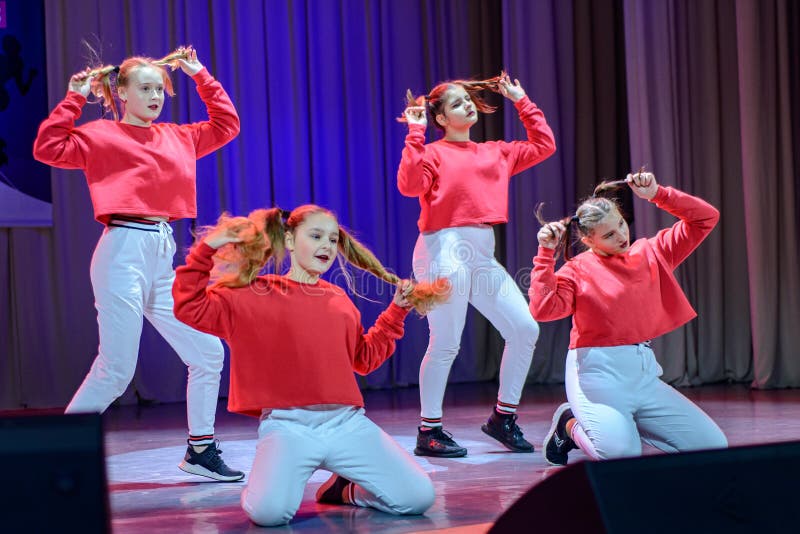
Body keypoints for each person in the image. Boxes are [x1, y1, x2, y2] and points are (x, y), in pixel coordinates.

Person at [32, 46, 243, 481]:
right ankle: (54, 450)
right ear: (121, 93)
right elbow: (48, 147)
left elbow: (227, 125)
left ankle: (200, 451)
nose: (154, 96)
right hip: (122, 250)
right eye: (144, 88)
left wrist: (199, 72)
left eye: (160, 88)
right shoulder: (101, 135)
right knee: (116, 369)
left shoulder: (177, 136)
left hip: (161, 254)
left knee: (207, 352)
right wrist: (73, 97)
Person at [173, 205, 446, 526]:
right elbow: (189, 305)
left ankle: (346, 491)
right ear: (289, 239)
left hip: (346, 424)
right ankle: (277, 481)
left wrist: (396, 311)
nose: (326, 246)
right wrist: (207, 248)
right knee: (269, 514)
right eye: (316, 236)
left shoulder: (338, 300)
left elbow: (365, 359)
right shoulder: (253, 293)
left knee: (419, 498)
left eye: (332, 239)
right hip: (289, 428)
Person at [397, 72, 556, 457]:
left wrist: (522, 101)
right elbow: (408, 184)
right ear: (440, 119)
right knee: (446, 342)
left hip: (481, 251)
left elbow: (544, 145)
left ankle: (503, 418)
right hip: (441, 246)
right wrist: (415, 134)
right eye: (457, 103)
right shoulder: (433, 152)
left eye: (468, 100)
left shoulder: (496, 152)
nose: (467, 105)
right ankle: (429, 431)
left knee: (523, 327)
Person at [529, 171, 728, 466]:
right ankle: (569, 426)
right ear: (588, 239)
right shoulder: (578, 269)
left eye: (621, 224)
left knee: (713, 447)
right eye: (609, 234)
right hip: (596, 377)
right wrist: (545, 255)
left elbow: (705, 218)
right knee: (620, 457)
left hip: (643, 375)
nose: (622, 236)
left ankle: (619, 425)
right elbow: (543, 310)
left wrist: (658, 194)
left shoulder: (651, 253)